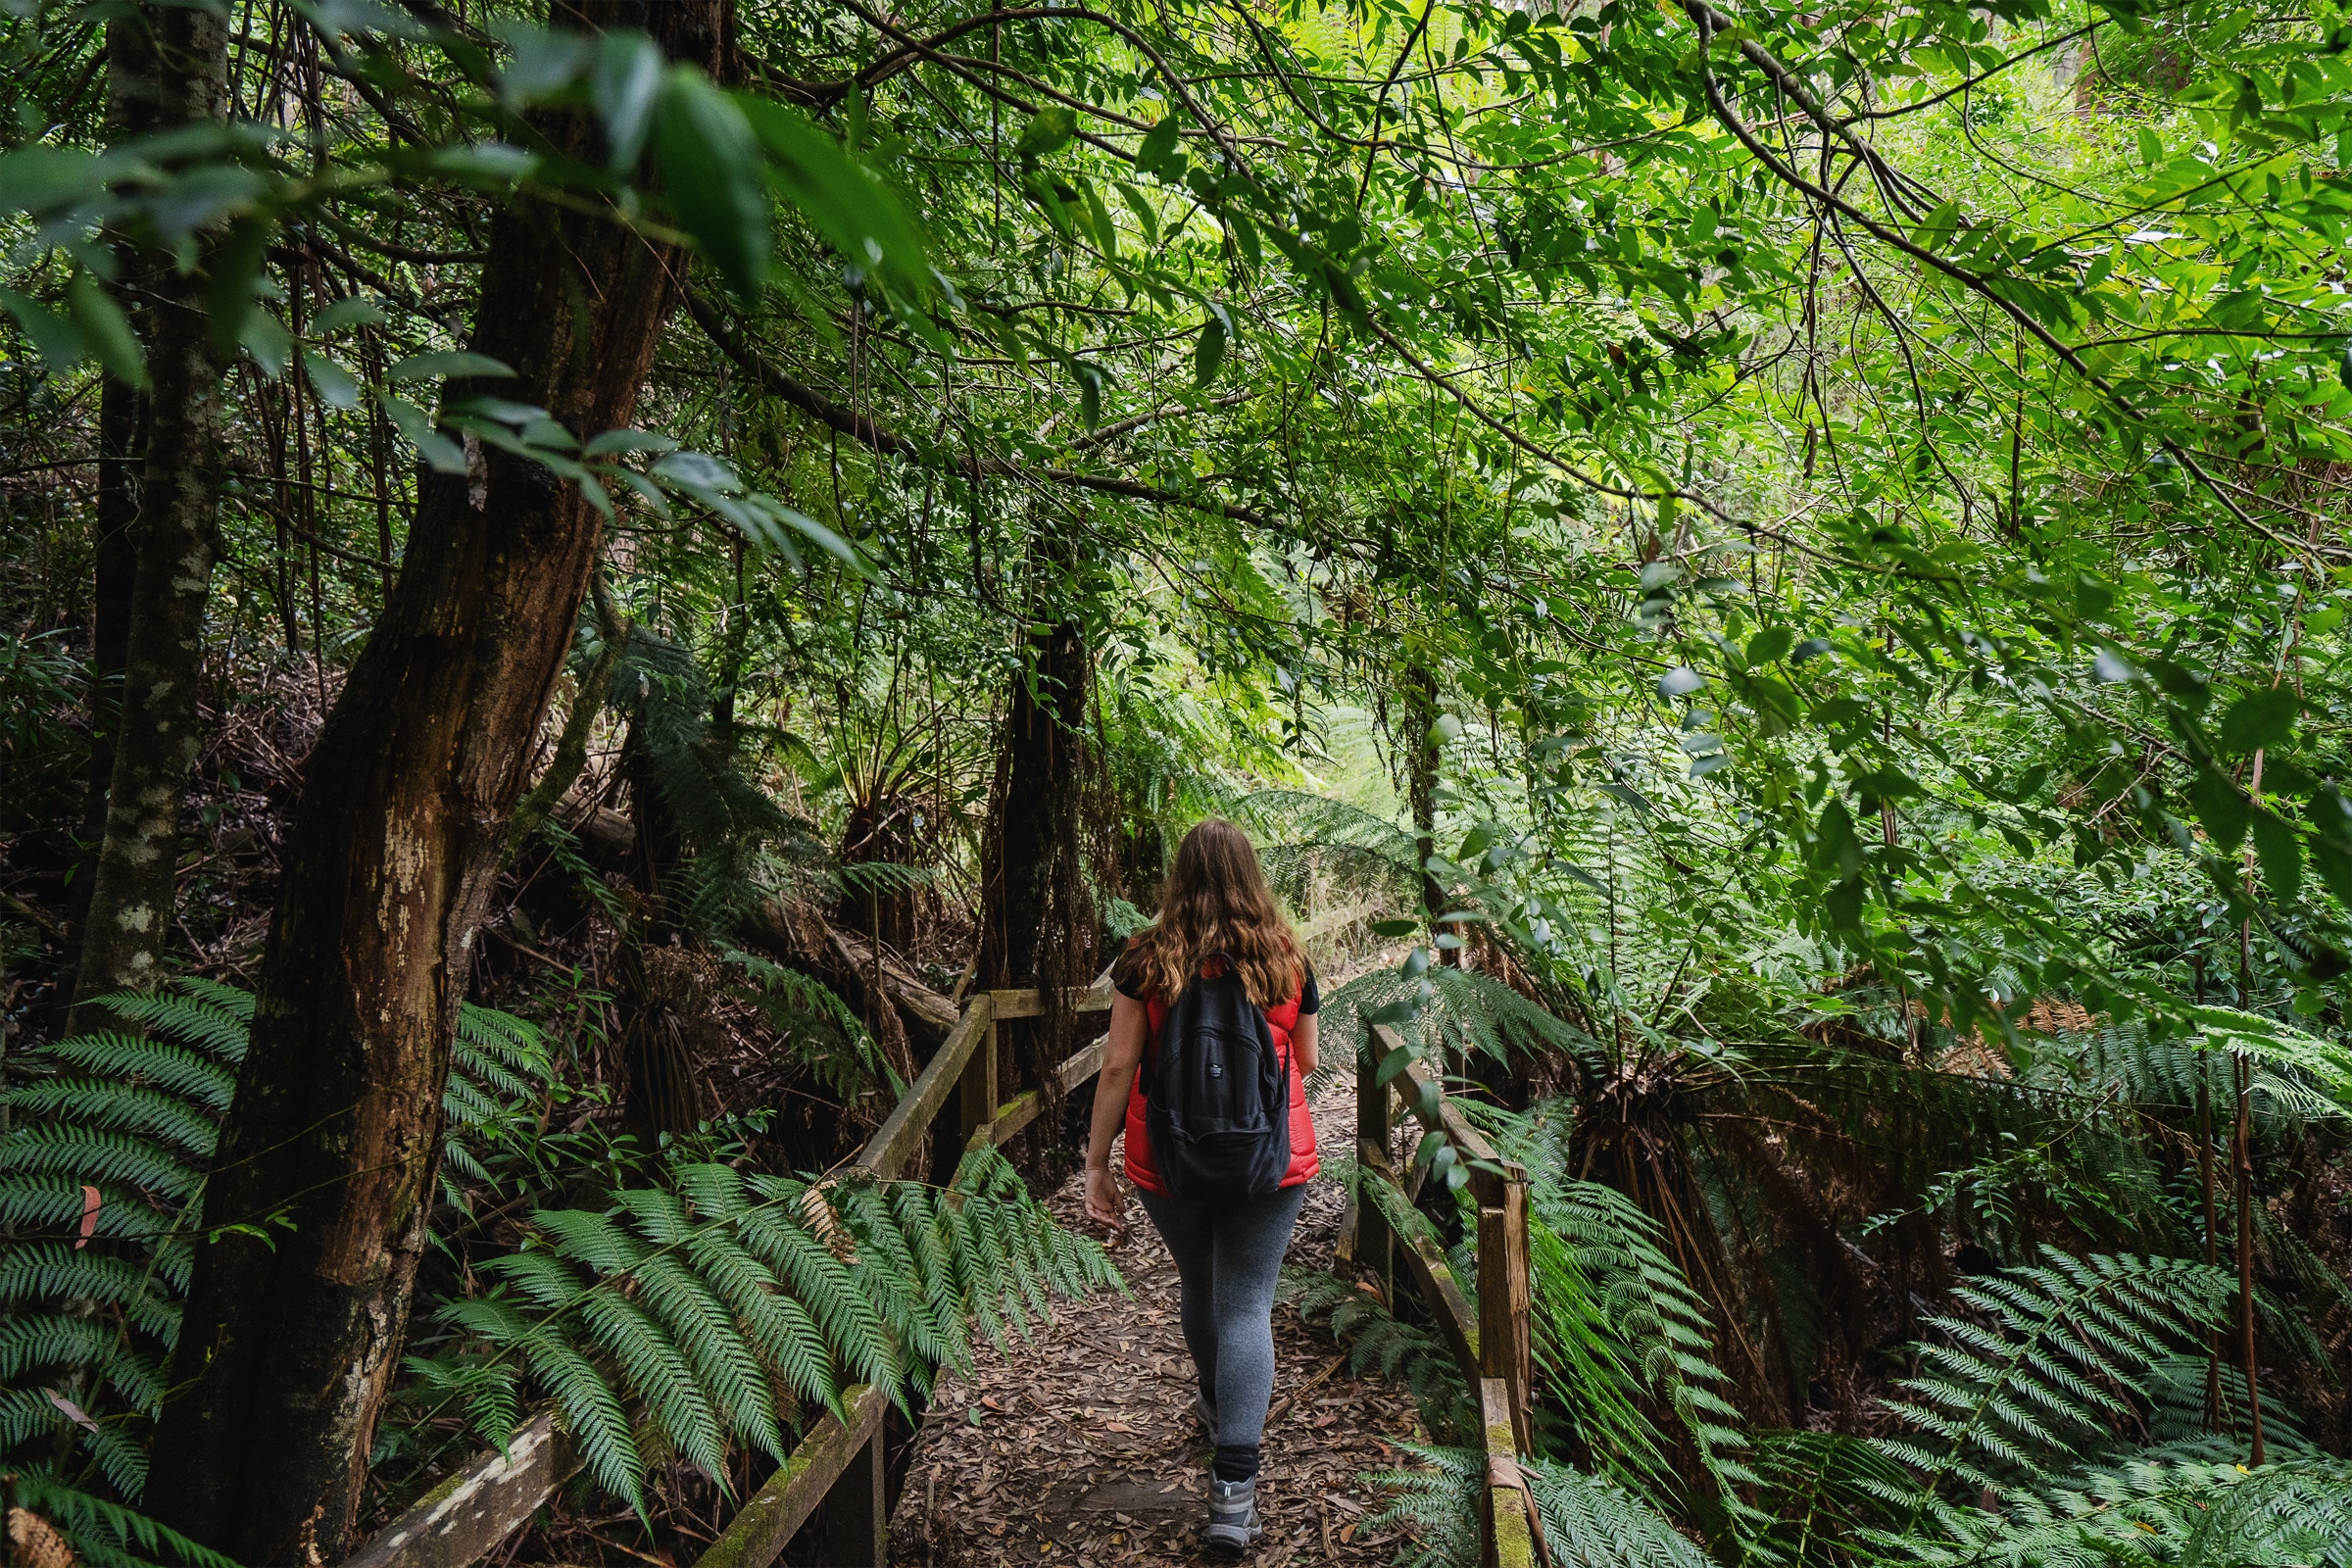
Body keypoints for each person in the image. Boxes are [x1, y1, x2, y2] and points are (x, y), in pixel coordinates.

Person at [1084, 818, 1320, 1554]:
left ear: (1178, 877)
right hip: (1271, 1159)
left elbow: (1118, 1066)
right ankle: (1233, 1496)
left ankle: (1219, 1405)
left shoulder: (1146, 960)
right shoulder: (1285, 957)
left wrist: (1096, 1163)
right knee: (1248, 1304)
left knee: (1200, 1283)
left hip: (1169, 1158)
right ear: (1252, 876)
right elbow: (1307, 1061)